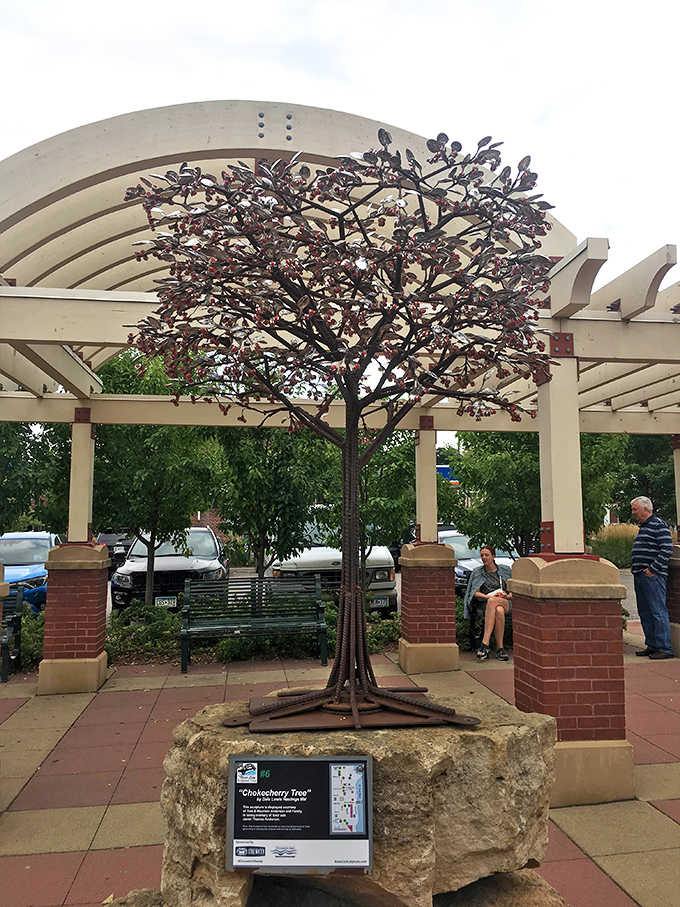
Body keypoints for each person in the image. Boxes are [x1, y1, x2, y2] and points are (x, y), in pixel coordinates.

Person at [631, 496, 674, 660]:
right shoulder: (644, 527)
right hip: (641, 575)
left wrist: (653, 569)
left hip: (652, 576)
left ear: (646, 509)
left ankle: (664, 647)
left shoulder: (658, 525)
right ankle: (653, 645)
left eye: (635, 509)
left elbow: (667, 549)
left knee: (657, 611)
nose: (633, 512)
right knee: (645, 612)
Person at [463, 545, 512, 661]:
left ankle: (484, 644)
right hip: (487, 603)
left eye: (487, 555)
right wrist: (488, 596)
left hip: (505, 601)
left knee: (496, 603)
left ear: (493, 556)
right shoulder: (478, 572)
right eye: (482, 555)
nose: (484, 558)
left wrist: (505, 595)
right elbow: (475, 593)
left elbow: (513, 592)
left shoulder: (505, 570)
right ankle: (500, 649)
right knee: (497, 610)